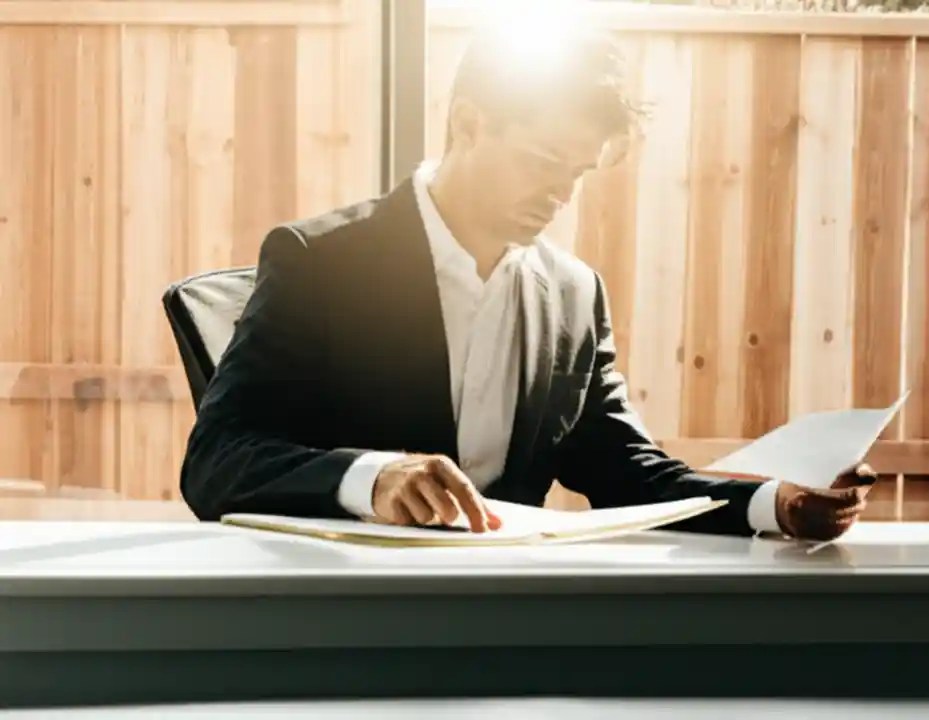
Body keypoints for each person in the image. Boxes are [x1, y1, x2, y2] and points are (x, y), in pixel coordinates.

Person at [179, 22, 875, 541]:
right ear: (467, 123)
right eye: (545, 160)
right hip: (345, 617)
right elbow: (216, 461)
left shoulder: (572, 296)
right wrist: (373, 477)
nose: (561, 194)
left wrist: (772, 505)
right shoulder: (320, 261)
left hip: (510, 615)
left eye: (578, 172)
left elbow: (625, 471)